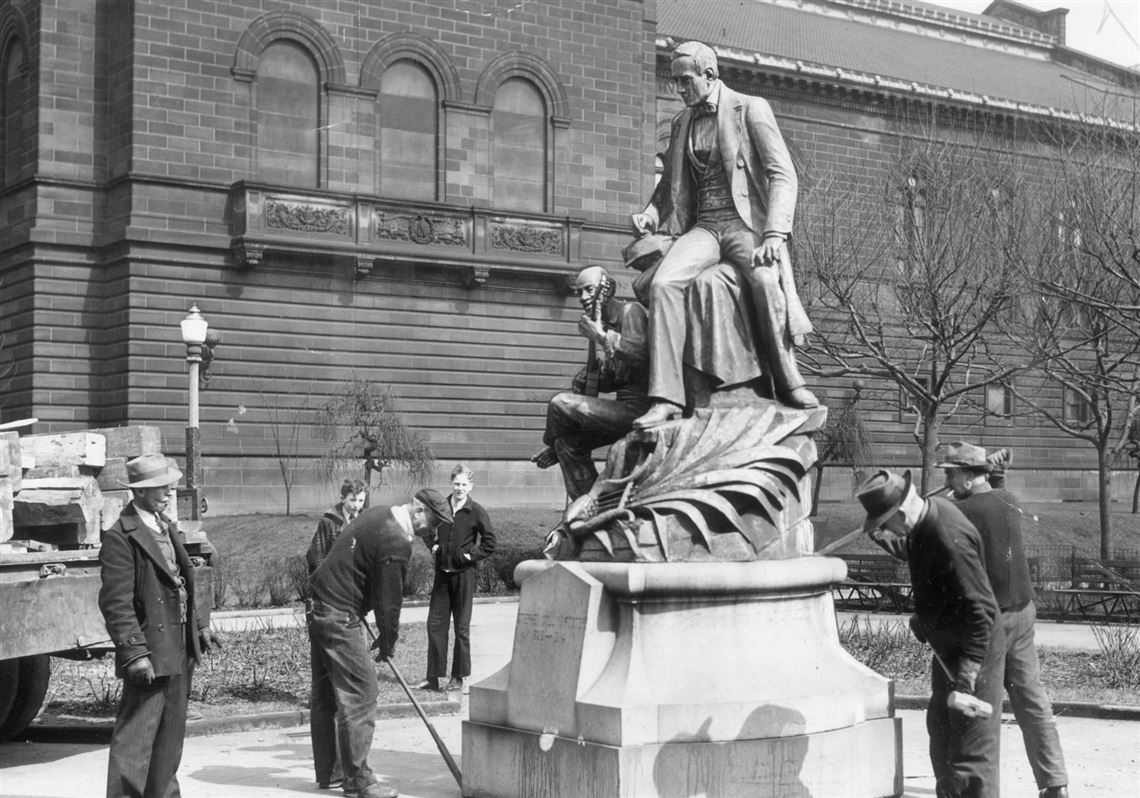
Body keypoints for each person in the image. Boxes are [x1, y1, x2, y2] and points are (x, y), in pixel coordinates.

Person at [630, 40, 817, 429]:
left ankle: (788, 381)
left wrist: (774, 236)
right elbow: (670, 185)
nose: (678, 89)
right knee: (664, 284)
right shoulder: (682, 123)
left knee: (766, 281)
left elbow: (784, 175)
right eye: (675, 81)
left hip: (744, 225)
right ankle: (665, 398)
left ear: (709, 75)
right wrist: (651, 212)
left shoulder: (750, 108)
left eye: (685, 81)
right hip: (704, 228)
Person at [857, 469, 1002, 798]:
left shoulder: (947, 534)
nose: (885, 530)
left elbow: (982, 610)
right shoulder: (924, 520)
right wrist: (927, 616)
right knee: (941, 735)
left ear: (902, 513)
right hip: (949, 645)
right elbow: (927, 565)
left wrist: (968, 673)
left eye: (885, 523)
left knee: (969, 754)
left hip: (974, 652)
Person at [938, 443, 1069, 798]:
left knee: (983, 712)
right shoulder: (1005, 499)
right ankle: (1055, 782)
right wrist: (995, 474)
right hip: (1022, 613)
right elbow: (990, 493)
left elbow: (945, 517)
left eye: (951, 473)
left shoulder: (959, 510)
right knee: (1031, 699)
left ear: (967, 475)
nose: (947, 480)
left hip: (990, 622)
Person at [308, 488, 450, 798]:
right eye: (435, 523)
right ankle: (359, 782)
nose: (434, 531)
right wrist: (388, 641)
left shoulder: (378, 512)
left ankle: (330, 774)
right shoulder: (396, 539)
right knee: (362, 691)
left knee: (327, 693)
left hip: (320, 604)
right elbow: (390, 601)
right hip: (339, 614)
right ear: (419, 511)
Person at [98, 453, 222, 798]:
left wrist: (200, 626)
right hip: (150, 653)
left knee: (170, 741)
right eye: (160, 487)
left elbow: (181, 582)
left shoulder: (164, 525)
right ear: (138, 492)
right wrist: (135, 652)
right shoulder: (121, 536)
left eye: (170, 485)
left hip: (178, 649)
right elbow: (116, 604)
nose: (169, 492)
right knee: (135, 741)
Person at [531, 265, 651, 499]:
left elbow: (640, 357)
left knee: (560, 402)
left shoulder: (630, 312)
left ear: (605, 289)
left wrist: (601, 337)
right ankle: (591, 506)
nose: (583, 298)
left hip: (639, 411)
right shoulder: (603, 321)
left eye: (588, 290)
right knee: (567, 444)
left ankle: (551, 446)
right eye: (579, 293)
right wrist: (592, 376)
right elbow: (617, 377)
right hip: (621, 413)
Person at [305, 478, 368, 791]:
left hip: (345, 612)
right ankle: (329, 772)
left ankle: (344, 771)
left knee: (340, 692)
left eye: (361, 500)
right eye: (352, 500)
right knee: (327, 691)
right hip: (324, 613)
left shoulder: (358, 526)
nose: (356, 506)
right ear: (342, 498)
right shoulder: (329, 525)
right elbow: (316, 564)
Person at [417, 465, 496, 693]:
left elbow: (490, 541)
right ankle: (432, 677)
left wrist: (471, 555)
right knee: (435, 625)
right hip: (443, 575)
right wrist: (433, 545)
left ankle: (457, 677)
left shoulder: (476, 511)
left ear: (470, 486)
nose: (460, 488)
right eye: (456, 483)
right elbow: (424, 527)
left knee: (461, 628)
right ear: (451, 484)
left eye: (464, 484)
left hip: (463, 576)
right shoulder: (441, 507)